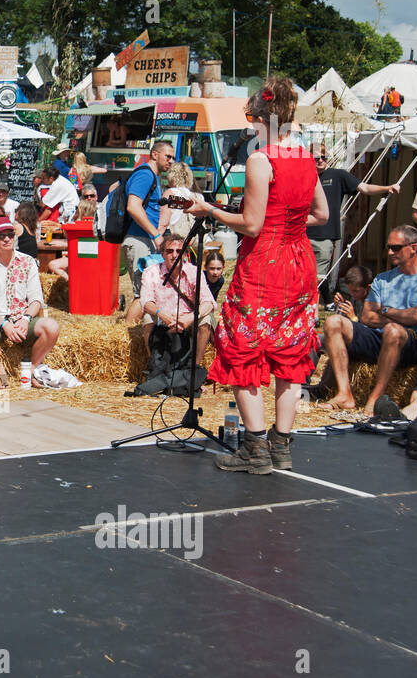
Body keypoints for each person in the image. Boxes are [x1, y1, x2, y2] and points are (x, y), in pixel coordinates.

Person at [187, 77, 328, 473]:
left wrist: (209, 210)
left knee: (242, 349)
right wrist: (289, 225)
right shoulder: (305, 156)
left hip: (265, 265)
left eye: (251, 118)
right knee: (290, 353)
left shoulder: (260, 160)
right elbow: (322, 215)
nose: (249, 125)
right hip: (299, 265)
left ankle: (255, 448)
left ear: (264, 119)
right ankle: (281, 447)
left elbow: (250, 224)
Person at [317, 225, 417, 417]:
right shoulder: (383, 279)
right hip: (379, 338)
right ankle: (345, 394)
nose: (390, 252)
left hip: (415, 343)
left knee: (393, 329)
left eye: (396, 247)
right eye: (389, 247)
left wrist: (385, 310)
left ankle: (375, 398)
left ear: (414, 248)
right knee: (333, 321)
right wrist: (407, 313)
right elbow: (367, 316)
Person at [0, 215, 65, 389]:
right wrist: (4, 324)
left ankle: (32, 370)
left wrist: (26, 318)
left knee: (52, 327)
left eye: (10, 234)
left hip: (22, 318)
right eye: (1, 235)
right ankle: (0, 372)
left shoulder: (28, 262)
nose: (7, 239)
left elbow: (37, 299)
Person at [307, 142, 399, 299]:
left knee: (318, 279)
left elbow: (364, 188)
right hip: (302, 233)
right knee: (304, 276)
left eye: (324, 157)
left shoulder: (338, 175)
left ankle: (314, 315)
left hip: (325, 234)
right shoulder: (305, 177)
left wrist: (386, 188)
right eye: (316, 158)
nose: (321, 160)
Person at [138, 232, 217, 367]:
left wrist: (190, 318)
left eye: (179, 251)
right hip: (163, 318)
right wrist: (164, 315)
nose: (174, 255)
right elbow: (146, 302)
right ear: (162, 254)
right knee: (147, 319)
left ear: (185, 254)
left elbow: (208, 302)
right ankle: (154, 367)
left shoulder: (195, 272)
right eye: (169, 251)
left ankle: (195, 366)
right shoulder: (151, 272)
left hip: (188, 318)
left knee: (206, 319)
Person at [120, 140, 174, 301]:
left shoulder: (151, 176)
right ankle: (131, 326)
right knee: (144, 295)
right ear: (155, 155)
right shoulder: (145, 175)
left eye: (173, 157)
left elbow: (114, 188)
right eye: (168, 156)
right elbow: (133, 207)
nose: (171, 161)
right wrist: (156, 235)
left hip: (144, 239)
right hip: (139, 240)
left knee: (149, 294)